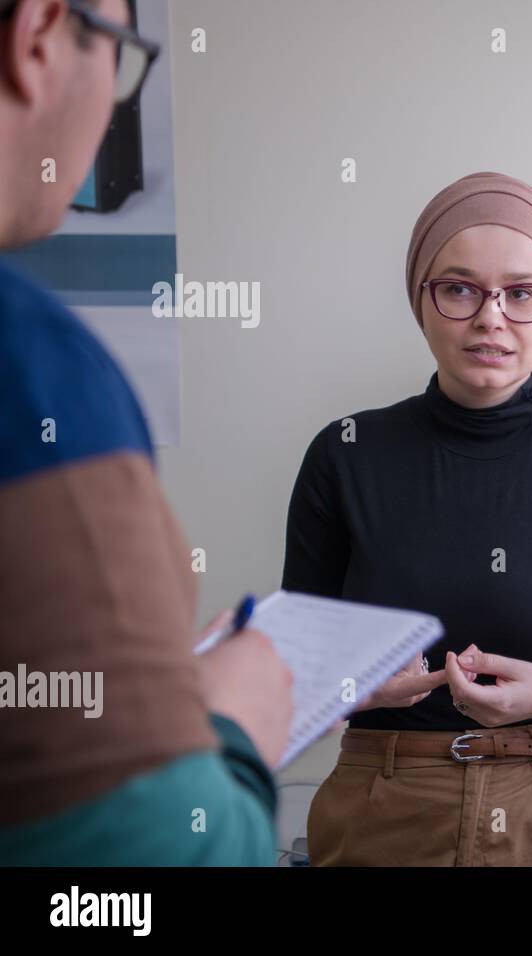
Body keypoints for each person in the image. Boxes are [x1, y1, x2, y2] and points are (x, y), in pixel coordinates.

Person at [285, 171, 532, 866]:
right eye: (460, 288)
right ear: (422, 300)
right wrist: (354, 688)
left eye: (522, 293)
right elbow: (291, 672)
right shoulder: (345, 453)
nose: (491, 317)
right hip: (385, 809)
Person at [0, 0, 292, 864]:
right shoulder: (33, 372)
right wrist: (234, 724)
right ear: (39, 36)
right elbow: (143, 873)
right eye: (124, 55)